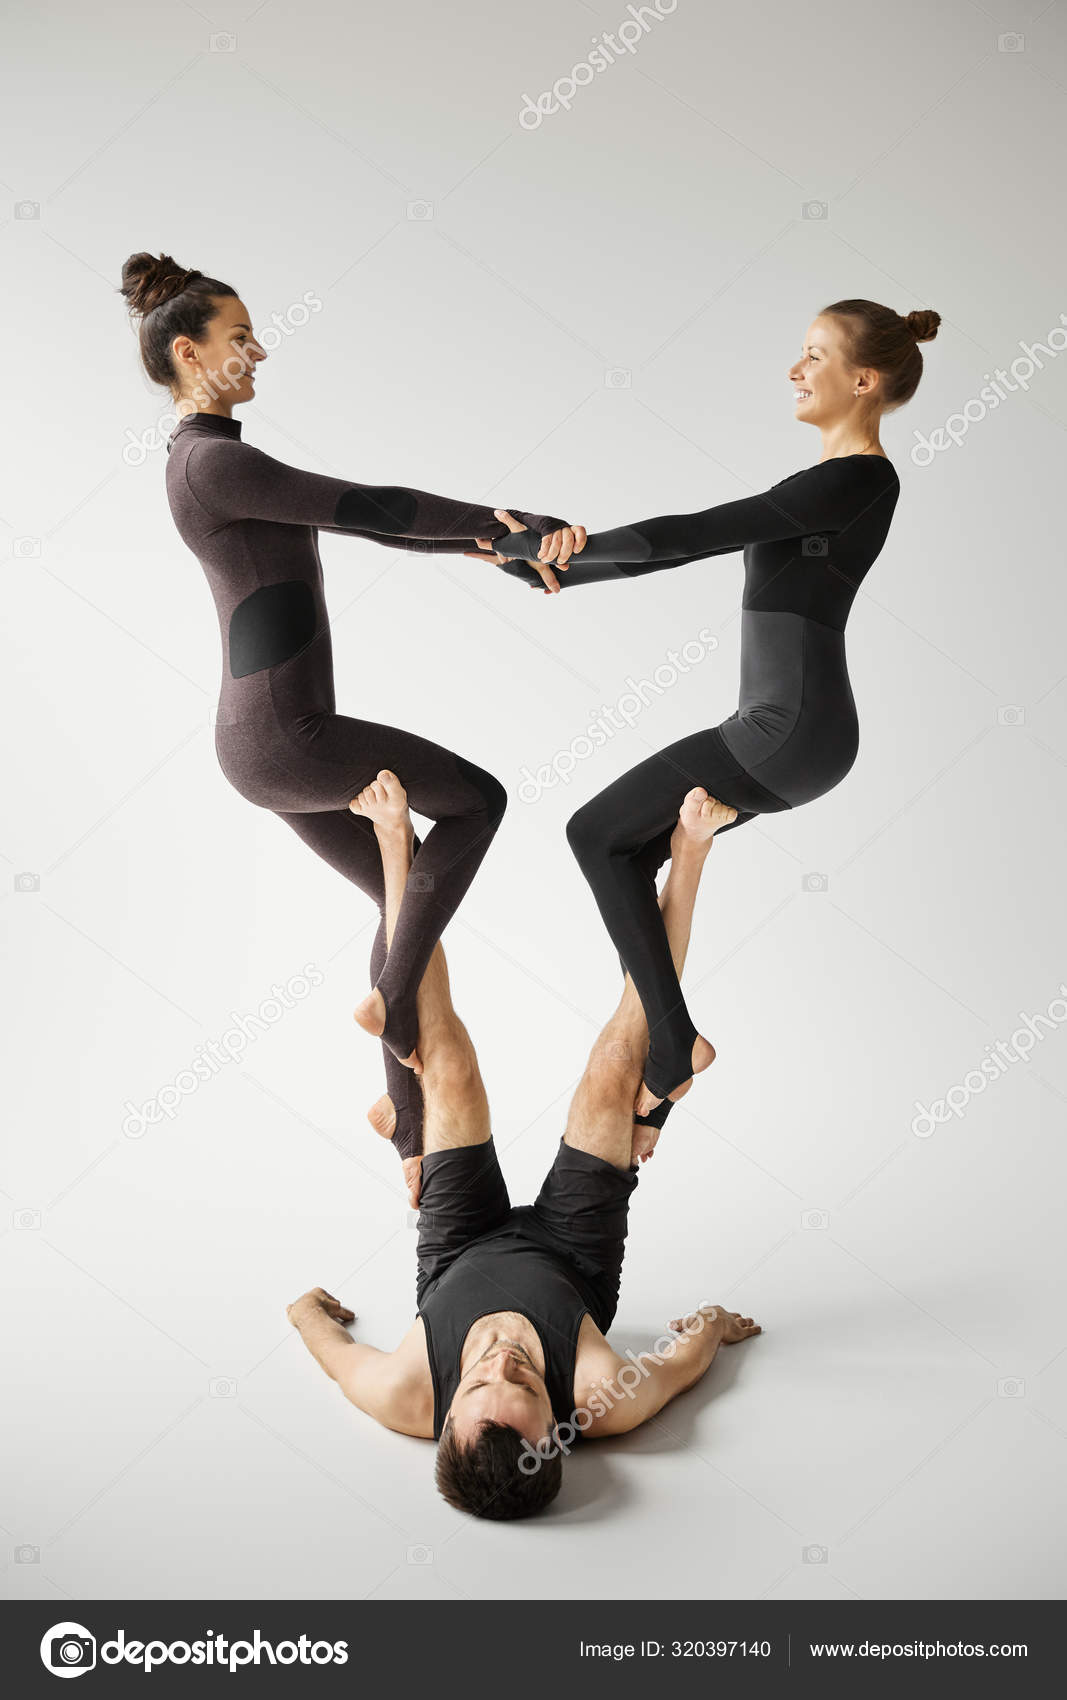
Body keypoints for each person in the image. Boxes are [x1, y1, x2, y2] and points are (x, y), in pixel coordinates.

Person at [120, 251, 584, 1169]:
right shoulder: (212, 463)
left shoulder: (211, 463)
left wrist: (486, 549)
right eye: (239, 335)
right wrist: (508, 523)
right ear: (187, 352)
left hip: (261, 746)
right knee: (477, 801)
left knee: (399, 894)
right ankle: (396, 1002)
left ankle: (407, 1129)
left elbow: (373, 522)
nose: (259, 350)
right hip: (290, 739)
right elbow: (369, 507)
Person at [479, 299, 939, 1112]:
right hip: (798, 733)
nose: (794, 370)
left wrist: (557, 543)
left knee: (594, 832)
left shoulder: (858, 478)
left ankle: (671, 1041)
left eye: (813, 355)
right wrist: (553, 571)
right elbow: (671, 556)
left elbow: (686, 535)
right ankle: (654, 1052)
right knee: (629, 847)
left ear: (863, 380)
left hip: (784, 729)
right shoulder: (829, 483)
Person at [287, 771, 760, 1520]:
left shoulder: (399, 1393)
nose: (504, 1360)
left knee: (446, 1066)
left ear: (442, 1418)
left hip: (458, 1248)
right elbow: (685, 1363)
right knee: (616, 1069)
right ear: (561, 1428)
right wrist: (714, 1323)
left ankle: (396, 852)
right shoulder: (608, 1401)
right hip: (574, 1253)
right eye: (529, 1381)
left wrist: (310, 1307)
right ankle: (689, 852)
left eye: (477, 1382)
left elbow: (317, 1337)